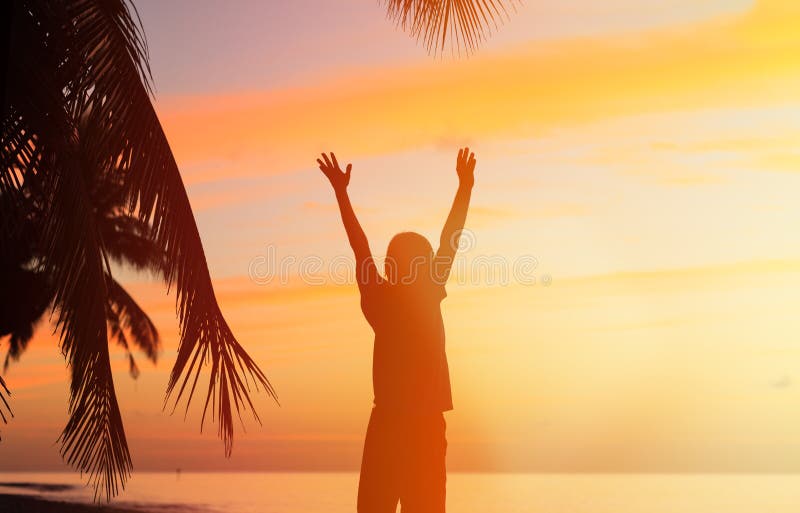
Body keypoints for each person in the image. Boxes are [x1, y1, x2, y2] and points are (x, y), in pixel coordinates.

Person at [317, 148, 476, 513]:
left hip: (400, 427)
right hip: (408, 428)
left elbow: (362, 248)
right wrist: (465, 187)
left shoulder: (388, 297)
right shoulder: (415, 295)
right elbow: (449, 238)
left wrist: (341, 193)